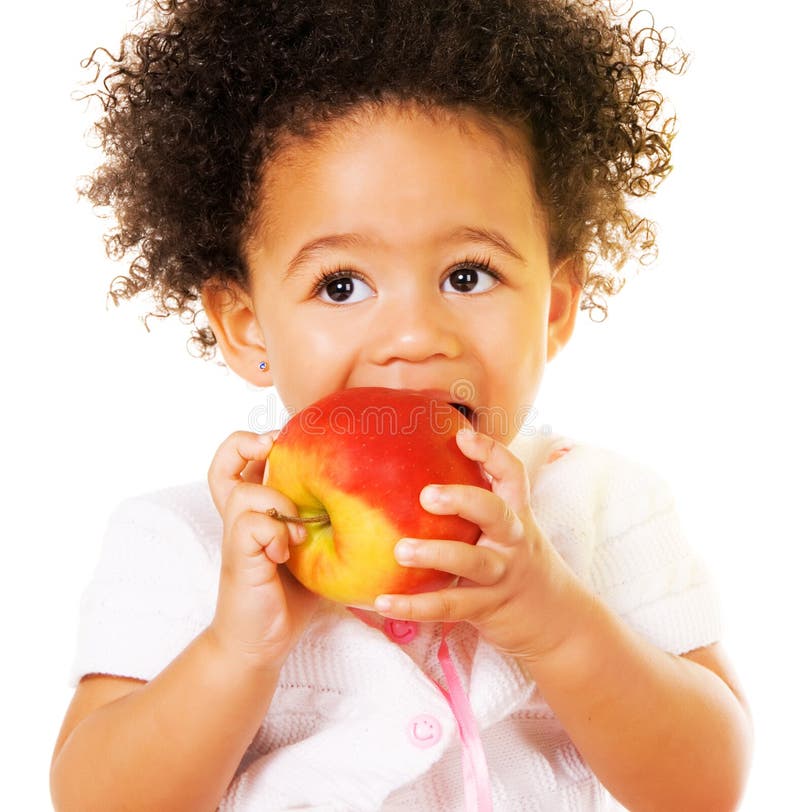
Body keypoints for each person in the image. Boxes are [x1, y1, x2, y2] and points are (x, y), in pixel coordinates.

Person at [50, 1, 753, 809]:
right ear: (247, 329)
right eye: (341, 285)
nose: (416, 337)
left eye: (468, 274)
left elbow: (705, 786)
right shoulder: (187, 544)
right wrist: (235, 651)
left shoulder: (600, 510)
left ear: (554, 309)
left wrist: (553, 620)